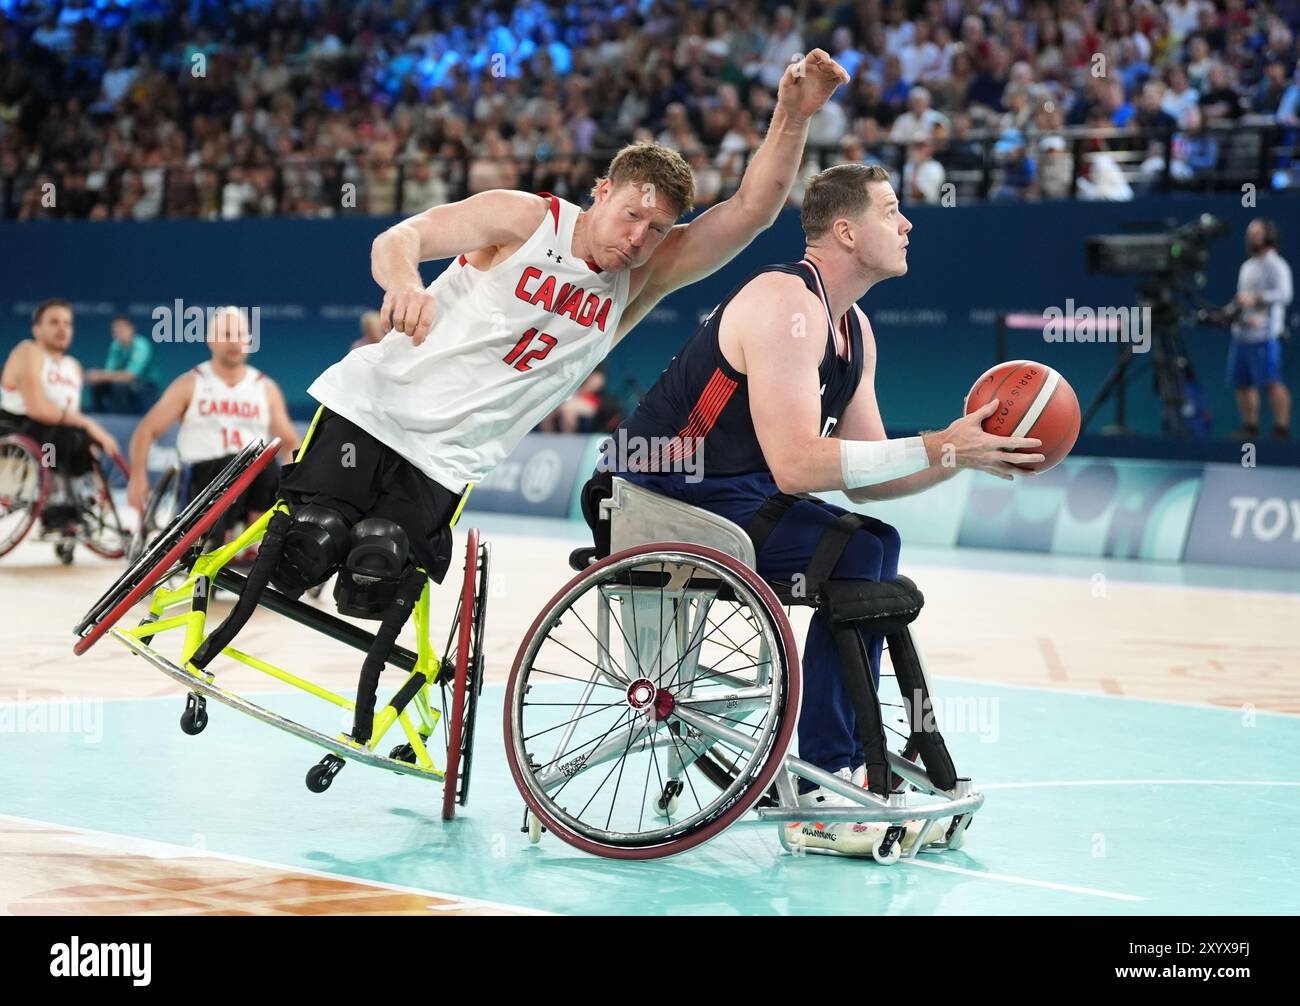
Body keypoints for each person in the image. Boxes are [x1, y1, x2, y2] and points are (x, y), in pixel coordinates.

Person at [199, 52, 851, 714]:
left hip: (447, 460)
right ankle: (223, 589)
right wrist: (403, 285)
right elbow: (402, 236)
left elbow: (750, 210)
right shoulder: (526, 219)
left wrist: (793, 114)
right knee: (308, 540)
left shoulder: (641, 279)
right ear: (603, 190)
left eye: (655, 229)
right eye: (631, 215)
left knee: (376, 566)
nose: (638, 238)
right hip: (372, 409)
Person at [601, 163, 1041, 855]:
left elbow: (865, 478)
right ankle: (821, 781)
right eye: (891, 211)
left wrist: (956, 455)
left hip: (731, 493)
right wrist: (935, 443)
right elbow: (800, 465)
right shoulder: (784, 304)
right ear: (845, 230)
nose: (907, 224)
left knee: (872, 544)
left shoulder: (853, 328)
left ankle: (840, 759)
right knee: (862, 551)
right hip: (657, 492)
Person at [127, 307, 299, 537]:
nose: (235, 342)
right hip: (203, 485)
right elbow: (146, 430)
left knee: (262, 461)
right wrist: (137, 477)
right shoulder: (191, 383)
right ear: (210, 340)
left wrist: (292, 483)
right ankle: (224, 536)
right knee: (237, 462)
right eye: (227, 335)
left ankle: (255, 537)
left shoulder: (264, 387)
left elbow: (289, 442)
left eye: (240, 335)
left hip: (252, 481)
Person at [0, 299, 121, 532]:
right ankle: (55, 507)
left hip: (57, 433)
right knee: (62, 434)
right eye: (54, 322)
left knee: (77, 438)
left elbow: (71, 417)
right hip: (18, 428)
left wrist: (92, 445)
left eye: (68, 323)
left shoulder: (73, 367)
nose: (62, 328)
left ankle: (76, 503)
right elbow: (38, 409)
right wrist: (87, 425)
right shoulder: (29, 351)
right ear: (37, 328)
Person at [1228, 218, 1292, 439]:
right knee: (1242, 383)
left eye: (1255, 233)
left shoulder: (1277, 265)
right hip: (1242, 334)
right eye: (1249, 233)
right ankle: (1250, 426)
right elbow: (1241, 298)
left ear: (1269, 236)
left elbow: (1285, 294)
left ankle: (1282, 427)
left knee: (1272, 381)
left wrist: (1256, 299)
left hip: (1265, 335)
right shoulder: (1247, 267)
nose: (1251, 238)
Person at [85, 314, 161, 413]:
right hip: (123, 382)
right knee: (98, 385)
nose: (118, 333)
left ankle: (121, 419)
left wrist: (99, 375)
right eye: (115, 330)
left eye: (121, 329)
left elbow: (130, 376)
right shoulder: (116, 345)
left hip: (146, 386)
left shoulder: (141, 345)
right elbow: (109, 372)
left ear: (131, 329)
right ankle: (99, 415)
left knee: (120, 386)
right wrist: (97, 377)